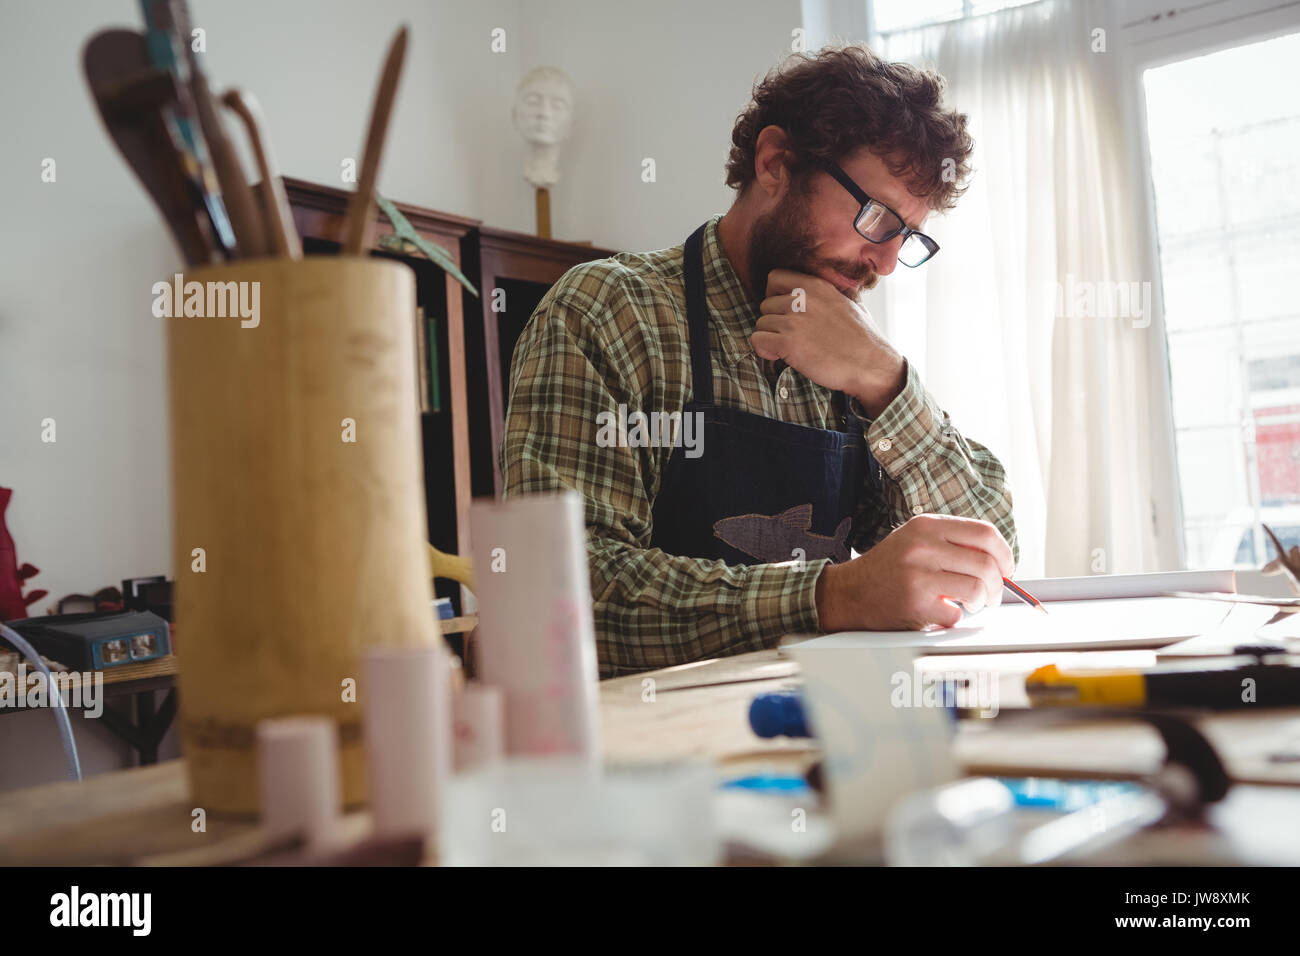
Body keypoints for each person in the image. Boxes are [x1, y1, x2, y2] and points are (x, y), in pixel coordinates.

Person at [501, 45, 1017, 678]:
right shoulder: (609, 311)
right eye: (877, 217)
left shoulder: (851, 348)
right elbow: (561, 597)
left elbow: (991, 555)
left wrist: (887, 382)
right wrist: (834, 596)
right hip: (656, 751)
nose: (885, 263)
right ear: (775, 162)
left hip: (823, 730)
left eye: (907, 238)